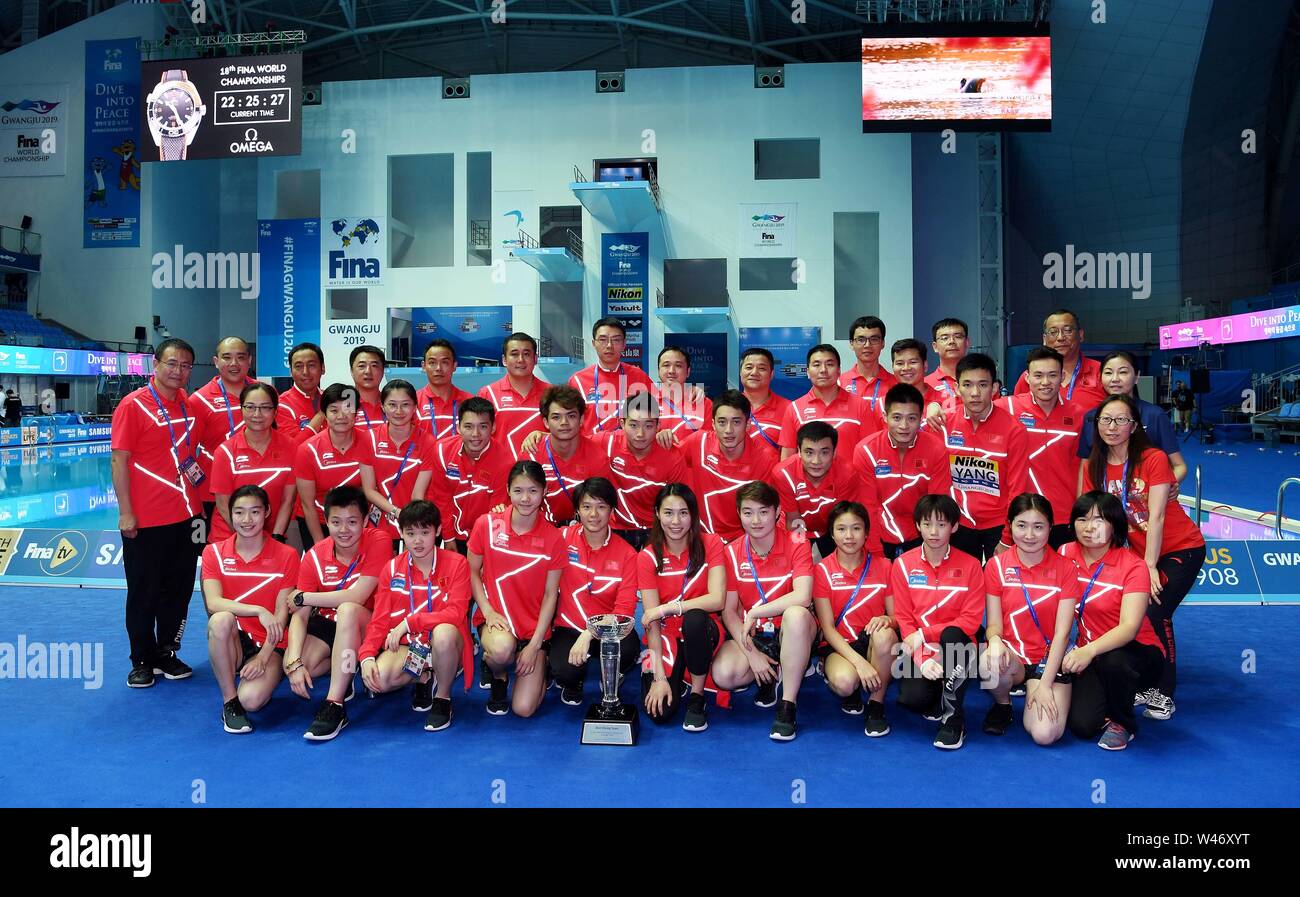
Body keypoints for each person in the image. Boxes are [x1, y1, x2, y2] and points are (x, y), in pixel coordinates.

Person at [1080, 393, 1206, 721]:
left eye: (1122, 420)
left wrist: (1149, 566)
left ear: (1134, 426)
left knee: (1156, 610)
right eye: (1106, 420)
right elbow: (1101, 517)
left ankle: (1163, 692)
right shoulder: (1095, 462)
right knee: (1129, 615)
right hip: (1136, 553)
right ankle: (1138, 679)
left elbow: (1158, 515)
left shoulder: (1153, 458)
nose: (1112, 427)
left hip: (1179, 548)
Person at [111, 337, 207, 688]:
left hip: (187, 514)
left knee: (179, 589)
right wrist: (126, 512)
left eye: (185, 365)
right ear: (156, 364)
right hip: (146, 518)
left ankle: (167, 650)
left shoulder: (188, 404)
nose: (178, 371)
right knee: (143, 591)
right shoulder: (132, 405)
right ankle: (141, 659)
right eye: (172, 363)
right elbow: (118, 460)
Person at [286, 486, 394, 741]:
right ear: (327, 521)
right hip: (331, 627)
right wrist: (293, 662)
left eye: (352, 522)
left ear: (365, 521)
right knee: (306, 665)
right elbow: (299, 616)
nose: (344, 530)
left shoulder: (379, 540)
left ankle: (335, 704)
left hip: (372, 626)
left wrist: (305, 597)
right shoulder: (314, 557)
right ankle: (347, 668)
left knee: (347, 610)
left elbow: (357, 596)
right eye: (336, 522)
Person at [711, 481, 817, 741]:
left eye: (763, 511)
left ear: (778, 511)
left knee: (795, 614)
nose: (756, 520)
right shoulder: (731, 552)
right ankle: (772, 669)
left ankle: (787, 705)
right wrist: (752, 655)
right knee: (724, 675)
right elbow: (729, 612)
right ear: (739, 514)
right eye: (747, 512)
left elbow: (803, 596)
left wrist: (756, 612)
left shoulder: (798, 541)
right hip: (756, 634)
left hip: (794, 630)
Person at [1060, 491, 1165, 750]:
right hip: (1091, 652)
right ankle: (1109, 699)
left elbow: (1129, 628)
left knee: (1114, 661)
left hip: (1136, 652)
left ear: (1115, 525)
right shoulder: (1065, 553)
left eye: (1099, 520)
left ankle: (1124, 723)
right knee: (1082, 726)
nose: (1089, 527)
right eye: (1082, 519)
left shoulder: (1133, 566)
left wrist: (1087, 650)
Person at [358, 500, 472, 732]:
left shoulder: (458, 563)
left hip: (447, 643)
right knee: (379, 679)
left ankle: (442, 698)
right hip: (412, 648)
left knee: (443, 633)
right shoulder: (391, 568)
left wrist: (410, 622)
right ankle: (425, 674)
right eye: (410, 533)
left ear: (438, 531)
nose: (418, 540)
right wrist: (366, 655)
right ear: (400, 533)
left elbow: (456, 612)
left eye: (425, 532)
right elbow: (379, 619)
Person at [979, 493, 1081, 745]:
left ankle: (1042, 688)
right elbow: (993, 624)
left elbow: (1062, 633)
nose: (1029, 535)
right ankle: (1003, 705)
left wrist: (1045, 684)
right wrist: (994, 642)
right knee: (987, 663)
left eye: (1038, 527)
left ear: (1050, 528)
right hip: (1013, 659)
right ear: (1010, 526)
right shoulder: (996, 566)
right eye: (1021, 525)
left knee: (1045, 735)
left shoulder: (1066, 568)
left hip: (1049, 659)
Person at [467, 460, 566, 716]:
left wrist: (534, 645)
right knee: (500, 650)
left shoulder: (554, 538)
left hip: (534, 630)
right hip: (497, 622)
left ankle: (541, 666)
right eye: (518, 490)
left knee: (523, 709)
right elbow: (472, 571)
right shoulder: (486, 525)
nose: (525, 498)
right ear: (508, 491)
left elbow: (550, 595)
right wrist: (487, 611)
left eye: (533, 491)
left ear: (544, 493)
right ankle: (499, 675)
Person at [201, 485, 299, 733]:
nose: (246, 520)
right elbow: (213, 602)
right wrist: (257, 610)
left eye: (254, 512)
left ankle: (255, 684)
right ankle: (229, 702)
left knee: (252, 701)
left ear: (267, 512)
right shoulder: (213, 552)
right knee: (220, 620)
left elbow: (280, 617)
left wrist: (263, 659)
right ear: (230, 514)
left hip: (269, 643)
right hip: (234, 639)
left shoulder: (287, 555)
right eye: (239, 512)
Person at [890, 493, 985, 750]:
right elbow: (904, 617)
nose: (934, 532)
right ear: (918, 525)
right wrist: (920, 657)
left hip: (960, 647)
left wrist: (925, 634)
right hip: (921, 649)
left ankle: (954, 720)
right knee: (912, 699)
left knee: (953, 635)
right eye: (927, 524)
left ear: (954, 526)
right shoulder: (902, 564)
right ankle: (937, 696)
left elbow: (971, 621)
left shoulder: (972, 565)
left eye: (942, 524)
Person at [637, 484, 727, 731]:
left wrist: (669, 608)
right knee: (660, 712)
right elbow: (651, 621)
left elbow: (718, 599)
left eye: (683, 513)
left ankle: (697, 697)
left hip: (703, 629)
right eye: (668, 513)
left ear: (693, 515)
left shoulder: (711, 544)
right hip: (664, 635)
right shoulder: (647, 557)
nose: (675, 521)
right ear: (657, 513)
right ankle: (674, 672)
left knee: (694, 619)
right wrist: (658, 677)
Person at [549, 477, 640, 706]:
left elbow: (625, 611)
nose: (593, 514)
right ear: (577, 510)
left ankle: (609, 675)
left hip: (608, 628)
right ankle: (575, 680)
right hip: (568, 625)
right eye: (586, 507)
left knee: (628, 649)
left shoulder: (628, 554)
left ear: (612, 511)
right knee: (564, 671)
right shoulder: (561, 538)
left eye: (601, 507)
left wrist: (589, 633)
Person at [811, 501, 896, 735]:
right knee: (845, 684)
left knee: (886, 634)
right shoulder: (821, 570)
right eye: (841, 529)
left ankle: (876, 705)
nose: (849, 536)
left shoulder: (886, 566)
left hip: (874, 644)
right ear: (832, 533)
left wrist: (887, 620)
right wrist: (859, 664)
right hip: (839, 646)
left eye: (856, 528)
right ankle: (852, 683)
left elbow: (897, 616)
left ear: (867, 533)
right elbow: (827, 628)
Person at [940, 353, 1029, 562]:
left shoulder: (1014, 429)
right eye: (967, 385)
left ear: (995, 388)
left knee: (997, 590)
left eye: (983, 385)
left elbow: (1017, 488)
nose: (975, 393)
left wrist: (1007, 537)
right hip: (957, 524)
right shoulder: (943, 424)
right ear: (956, 388)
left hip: (998, 526)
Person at [999, 347, 1084, 548]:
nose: (1045, 382)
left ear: (1062, 376)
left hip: (1064, 516)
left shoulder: (1080, 415)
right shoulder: (1006, 408)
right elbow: (968, 411)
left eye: (1052, 375)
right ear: (1027, 377)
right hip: (1020, 516)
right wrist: (934, 408)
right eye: (1038, 375)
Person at [853, 383, 951, 559]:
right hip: (879, 537)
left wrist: (931, 550)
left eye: (912, 418)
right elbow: (867, 507)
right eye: (897, 418)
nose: (904, 425)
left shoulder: (936, 449)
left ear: (921, 417)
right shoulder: (865, 450)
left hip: (922, 536)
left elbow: (938, 504)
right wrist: (875, 552)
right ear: (885, 416)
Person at [680, 390, 777, 542]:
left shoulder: (766, 458)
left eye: (736, 422)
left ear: (748, 425)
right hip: (702, 540)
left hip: (746, 543)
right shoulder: (698, 442)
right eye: (722, 422)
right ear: (713, 424)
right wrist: (661, 438)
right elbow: (667, 461)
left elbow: (775, 508)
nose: (728, 430)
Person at [1076, 351, 1188, 482]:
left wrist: (1166, 488)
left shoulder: (1154, 415)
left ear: (1137, 376)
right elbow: (1085, 467)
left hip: (1147, 499)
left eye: (1123, 372)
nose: (1115, 378)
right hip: (1106, 499)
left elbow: (1179, 466)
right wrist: (1082, 501)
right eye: (1108, 372)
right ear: (1100, 377)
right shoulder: (1091, 417)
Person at [208, 382, 297, 545]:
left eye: (265, 407)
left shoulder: (291, 447)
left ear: (275, 411)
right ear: (241, 409)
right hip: (230, 535)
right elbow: (223, 504)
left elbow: (288, 500)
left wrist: (275, 539)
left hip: (273, 536)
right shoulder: (225, 451)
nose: (257, 414)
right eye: (250, 407)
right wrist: (247, 537)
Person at [603, 391, 689, 552]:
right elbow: (576, 442)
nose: (640, 434)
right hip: (615, 529)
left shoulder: (672, 455)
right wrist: (542, 435)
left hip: (657, 530)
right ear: (622, 423)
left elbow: (680, 502)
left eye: (648, 426)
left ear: (658, 426)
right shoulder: (607, 443)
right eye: (633, 425)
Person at [357, 379, 437, 547]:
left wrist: (409, 520)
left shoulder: (428, 442)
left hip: (414, 525)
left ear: (415, 407)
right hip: (379, 526)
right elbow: (369, 489)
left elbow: (418, 494)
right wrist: (395, 511)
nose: (399, 411)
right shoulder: (368, 438)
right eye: (392, 405)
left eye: (405, 405)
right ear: (383, 407)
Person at [428, 396, 512, 552]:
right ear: (458, 427)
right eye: (468, 426)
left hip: (481, 534)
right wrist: (448, 537)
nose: (475, 434)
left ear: (493, 428)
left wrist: (487, 549)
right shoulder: (442, 451)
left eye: (483, 427)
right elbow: (442, 498)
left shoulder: (505, 461)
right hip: (448, 531)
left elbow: (496, 512)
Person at [519, 386, 613, 526]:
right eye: (556, 417)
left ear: (581, 420)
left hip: (583, 531)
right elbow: (521, 502)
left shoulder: (598, 458)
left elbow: (600, 510)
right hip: (539, 531)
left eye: (571, 416)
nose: (564, 422)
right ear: (545, 422)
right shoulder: (531, 453)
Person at [187, 336, 255, 522]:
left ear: (249, 361)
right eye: (227, 357)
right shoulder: (199, 400)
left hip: (257, 488)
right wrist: (194, 497)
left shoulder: (264, 393)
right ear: (216, 362)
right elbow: (188, 454)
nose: (234, 363)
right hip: (213, 494)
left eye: (241, 357)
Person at [774, 421, 860, 560]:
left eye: (824, 452)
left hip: (831, 527)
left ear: (835, 452)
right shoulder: (783, 473)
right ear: (799, 451)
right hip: (796, 526)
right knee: (799, 563)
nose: (816, 461)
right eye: (809, 452)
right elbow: (793, 520)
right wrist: (800, 556)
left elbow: (843, 520)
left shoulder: (848, 474)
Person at [294, 383, 366, 549]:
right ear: (324, 415)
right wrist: (320, 544)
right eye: (334, 410)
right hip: (319, 522)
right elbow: (307, 504)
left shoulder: (369, 443)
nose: (341, 416)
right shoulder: (307, 450)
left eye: (348, 409)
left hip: (357, 522)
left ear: (356, 413)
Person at [779, 343, 877, 461]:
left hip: (850, 479)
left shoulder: (861, 406)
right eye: (816, 365)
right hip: (808, 479)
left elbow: (871, 452)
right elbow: (787, 458)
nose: (823, 370)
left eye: (830, 364)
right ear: (808, 372)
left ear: (839, 370)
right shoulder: (794, 408)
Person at [567, 317, 652, 437]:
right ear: (593, 344)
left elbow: (659, 413)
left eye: (616, 340)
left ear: (624, 344)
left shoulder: (639, 377)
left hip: (629, 451)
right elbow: (567, 421)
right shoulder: (577, 380)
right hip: (591, 450)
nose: (609, 345)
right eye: (602, 340)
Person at [1013, 309, 1107, 412]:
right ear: (1044, 339)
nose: (1060, 338)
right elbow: (1018, 413)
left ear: (1080, 335)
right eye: (1053, 332)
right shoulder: (1032, 376)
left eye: (1068, 331)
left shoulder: (1102, 372)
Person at [478, 332, 548, 459]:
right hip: (500, 473)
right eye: (514, 354)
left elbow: (566, 434)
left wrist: (545, 435)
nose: (520, 360)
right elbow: (478, 436)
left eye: (526, 354)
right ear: (504, 360)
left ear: (535, 359)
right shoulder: (488, 393)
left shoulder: (551, 393)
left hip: (543, 473)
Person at [654, 345, 711, 446]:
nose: (671, 371)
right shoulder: (647, 403)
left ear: (688, 371)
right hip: (659, 461)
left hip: (693, 461)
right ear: (658, 370)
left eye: (678, 366)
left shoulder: (704, 403)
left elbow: (711, 440)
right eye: (666, 365)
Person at [739, 346, 791, 454]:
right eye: (749, 367)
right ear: (740, 372)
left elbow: (791, 455)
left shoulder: (789, 409)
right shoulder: (727, 406)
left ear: (771, 374)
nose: (754, 373)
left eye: (762, 368)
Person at [840, 315, 897, 413]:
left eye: (874, 339)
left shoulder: (896, 385)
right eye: (861, 340)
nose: (867, 345)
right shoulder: (838, 383)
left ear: (883, 343)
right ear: (851, 344)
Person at [274, 342, 327, 444]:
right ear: (290, 371)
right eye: (298, 366)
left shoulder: (332, 399)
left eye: (311, 365)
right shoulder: (281, 405)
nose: (305, 372)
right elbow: (293, 446)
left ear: (323, 368)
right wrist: (321, 415)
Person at [889, 338, 942, 418]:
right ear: (893, 366)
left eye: (913, 362)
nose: (906, 368)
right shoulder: (883, 402)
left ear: (925, 365)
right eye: (900, 363)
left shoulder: (943, 401)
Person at [924, 318, 969, 403]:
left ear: (967, 342)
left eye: (958, 337)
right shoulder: (925, 384)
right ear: (935, 347)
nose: (951, 341)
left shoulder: (981, 381)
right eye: (945, 338)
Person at [348, 345, 387, 432]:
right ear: (351, 371)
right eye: (362, 366)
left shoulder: (393, 404)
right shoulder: (343, 405)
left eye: (374, 365)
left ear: (383, 370)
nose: (368, 371)